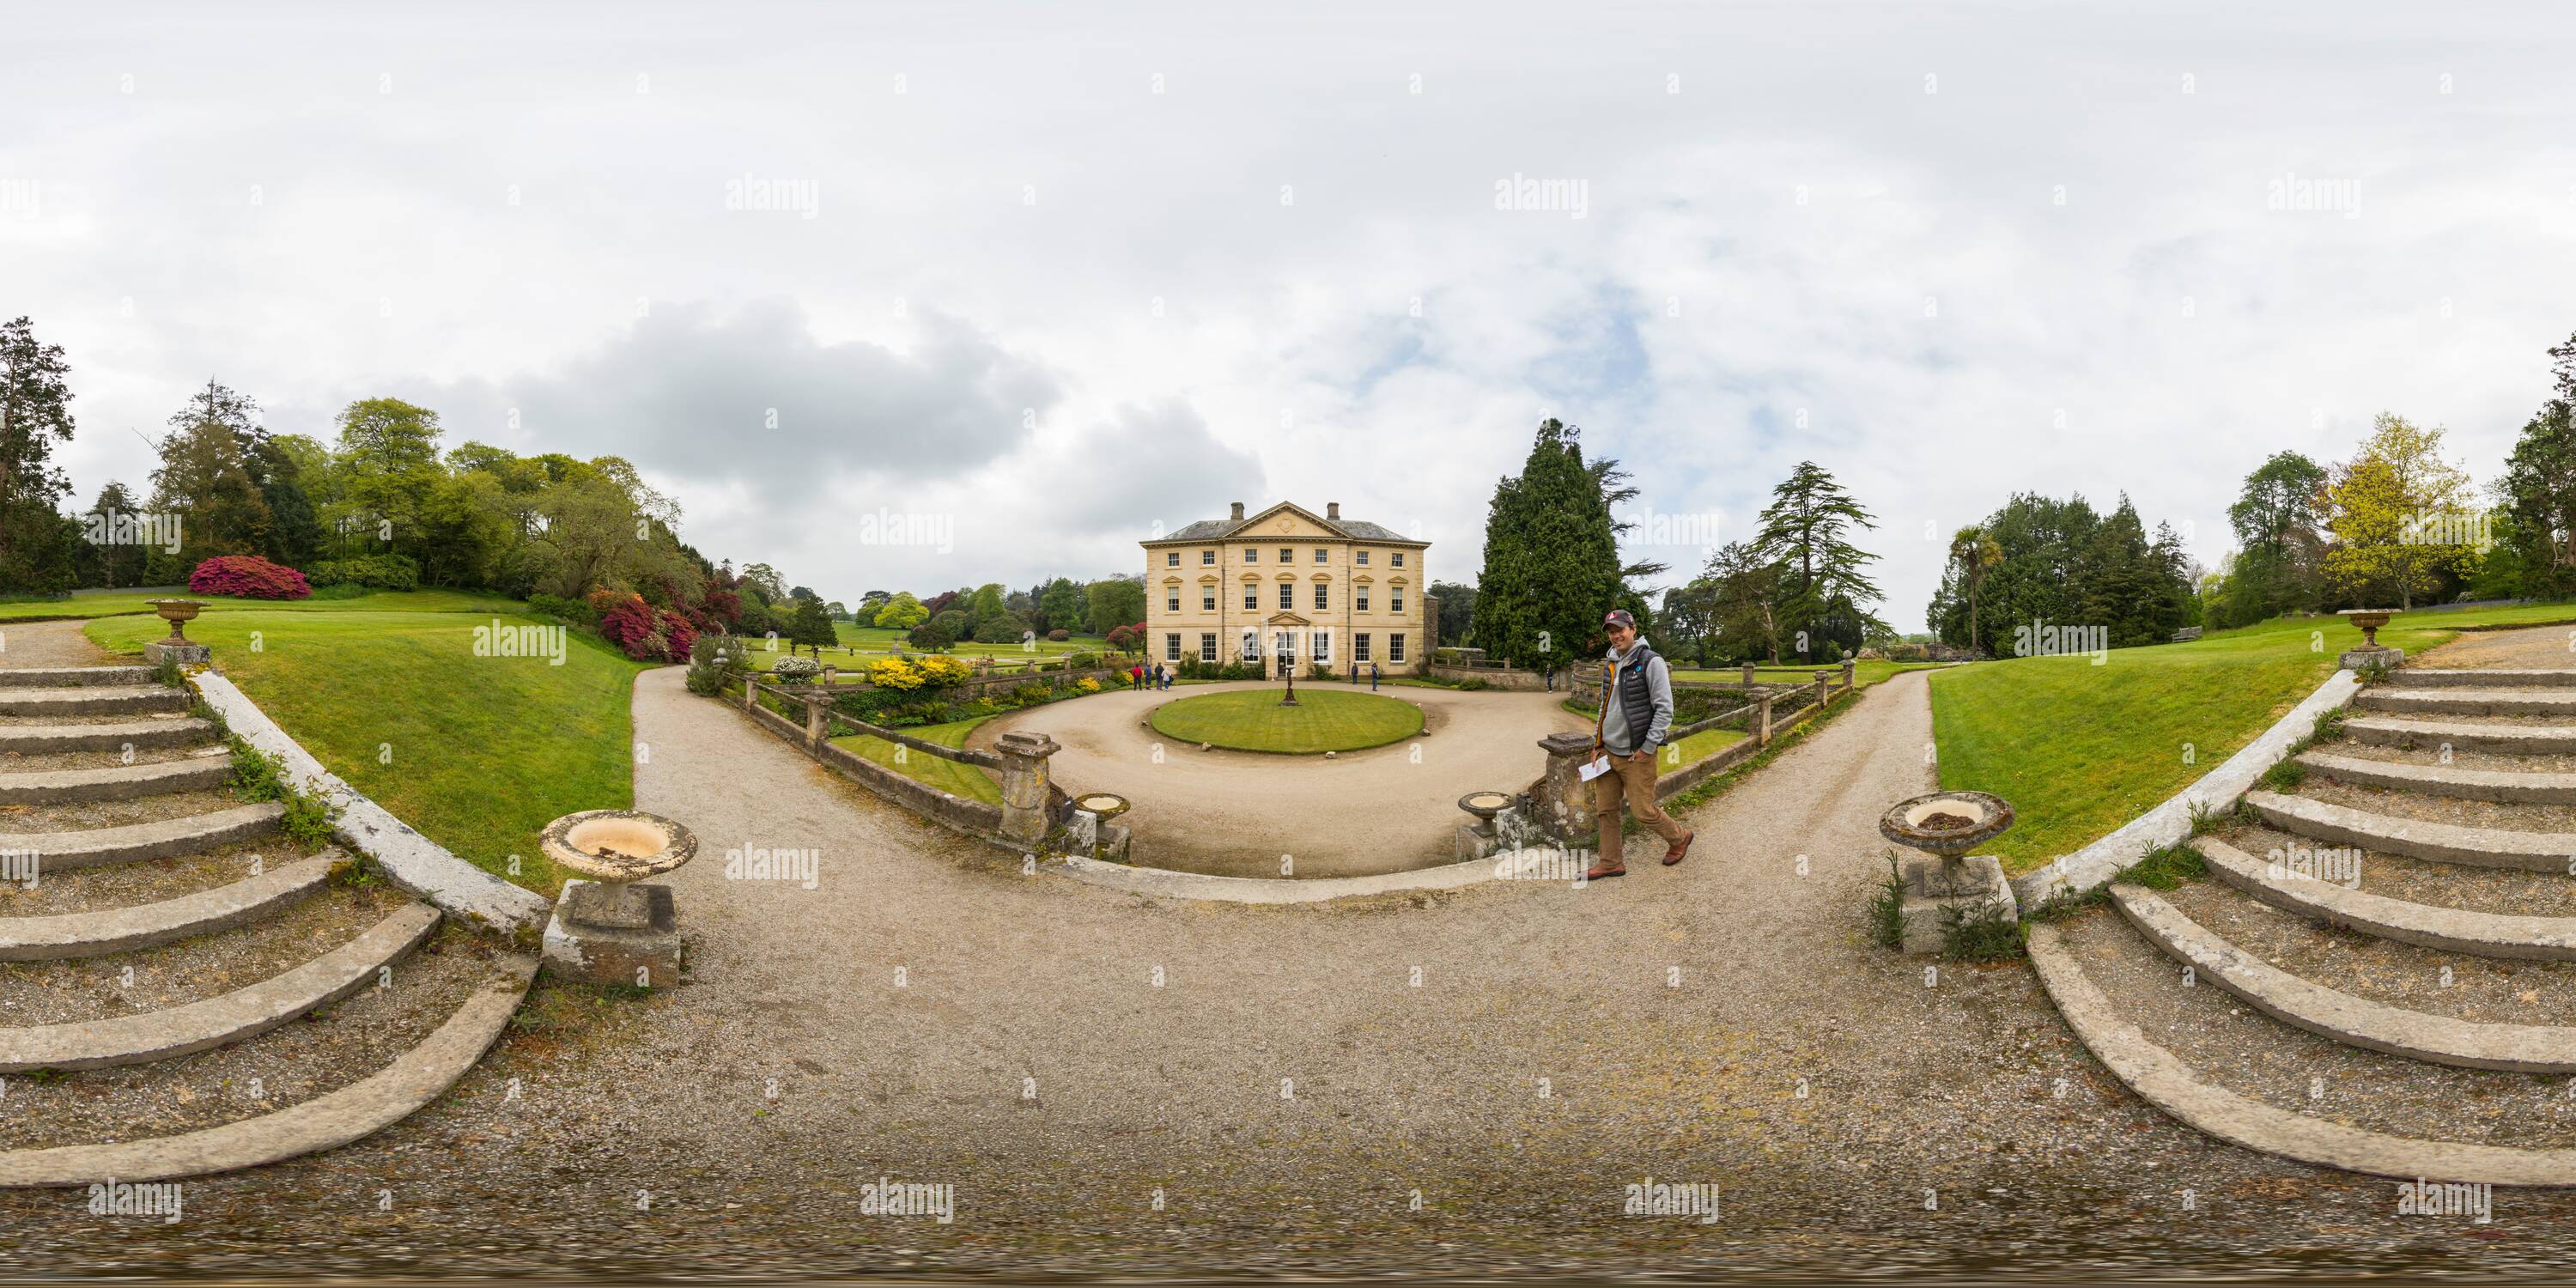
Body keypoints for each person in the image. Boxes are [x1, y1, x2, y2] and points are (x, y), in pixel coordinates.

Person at [1587, 609, 1693, 881]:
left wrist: (1647, 748)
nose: (1615, 635)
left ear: (1633, 629)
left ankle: (1680, 838)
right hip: (1608, 753)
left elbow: (1664, 710)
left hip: (1636, 756)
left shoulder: (1650, 661)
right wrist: (1597, 742)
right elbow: (1604, 706)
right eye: (1610, 631)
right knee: (1606, 810)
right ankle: (1611, 862)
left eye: (1620, 629)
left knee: (1643, 811)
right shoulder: (1610, 664)